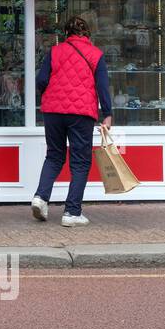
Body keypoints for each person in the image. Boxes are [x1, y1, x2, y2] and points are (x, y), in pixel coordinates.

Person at [32, 16, 113, 227]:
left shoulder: (55, 51)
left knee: (54, 156)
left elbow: (41, 80)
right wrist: (108, 113)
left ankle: (40, 198)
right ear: (86, 33)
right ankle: (72, 212)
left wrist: (49, 94)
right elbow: (103, 86)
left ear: (66, 34)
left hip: (52, 111)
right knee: (80, 161)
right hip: (81, 113)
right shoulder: (96, 54)